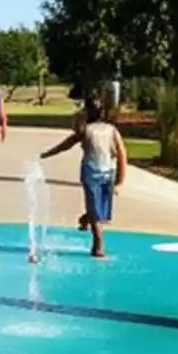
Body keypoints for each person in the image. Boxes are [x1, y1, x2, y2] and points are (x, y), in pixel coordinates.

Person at [40, 97, 127, 259]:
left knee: (99, 209)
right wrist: (49, 153)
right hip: (97, 174)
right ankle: (98, 245)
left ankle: (88, 217)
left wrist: (120, 179)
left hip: (101, 173)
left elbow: (121, 153)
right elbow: (68, 143)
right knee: (97, 208)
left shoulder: (107, 130)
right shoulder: (94, 130)